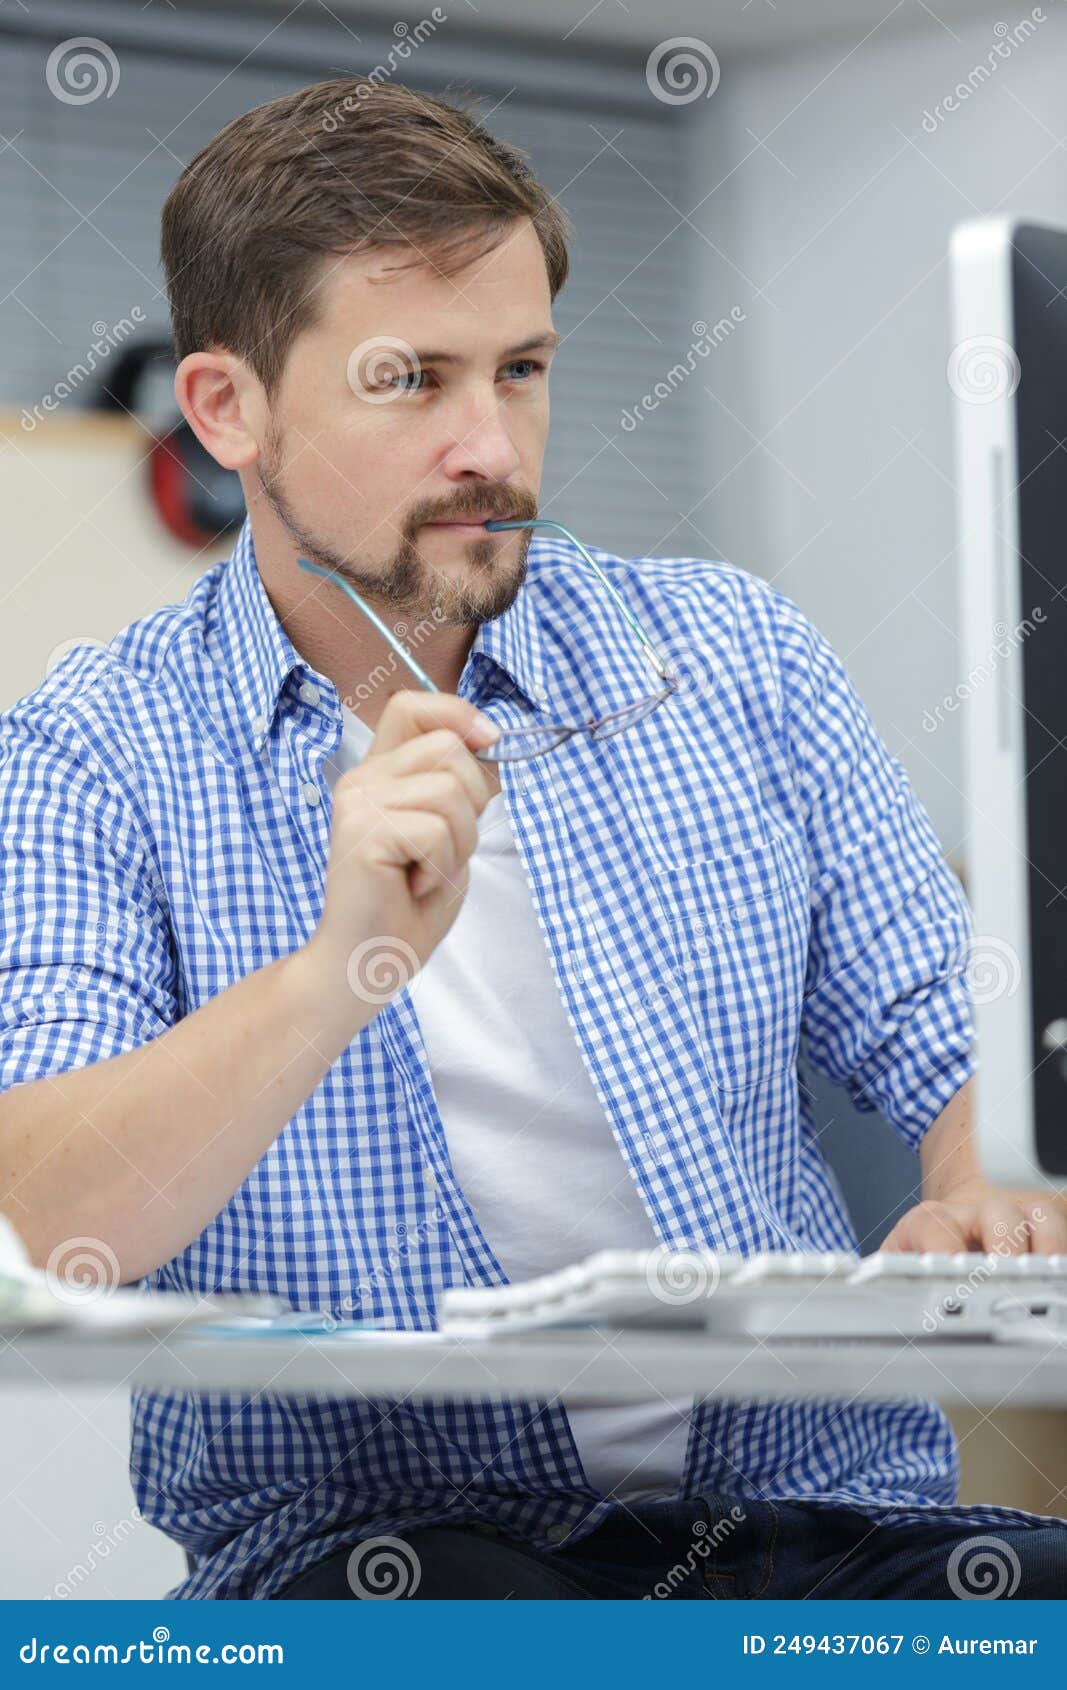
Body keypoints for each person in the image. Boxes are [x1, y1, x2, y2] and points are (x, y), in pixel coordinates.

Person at [1, 76, 1064, 1602]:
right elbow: (40, 1219)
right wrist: (334, 970)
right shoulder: (89, 753)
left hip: (819, 1525)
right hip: (377, 1557)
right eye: (412, 380)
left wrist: (992, 1192)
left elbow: (955, 1037)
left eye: (521, 369)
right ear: (227, 408)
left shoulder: (730, 656)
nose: (489, 446)